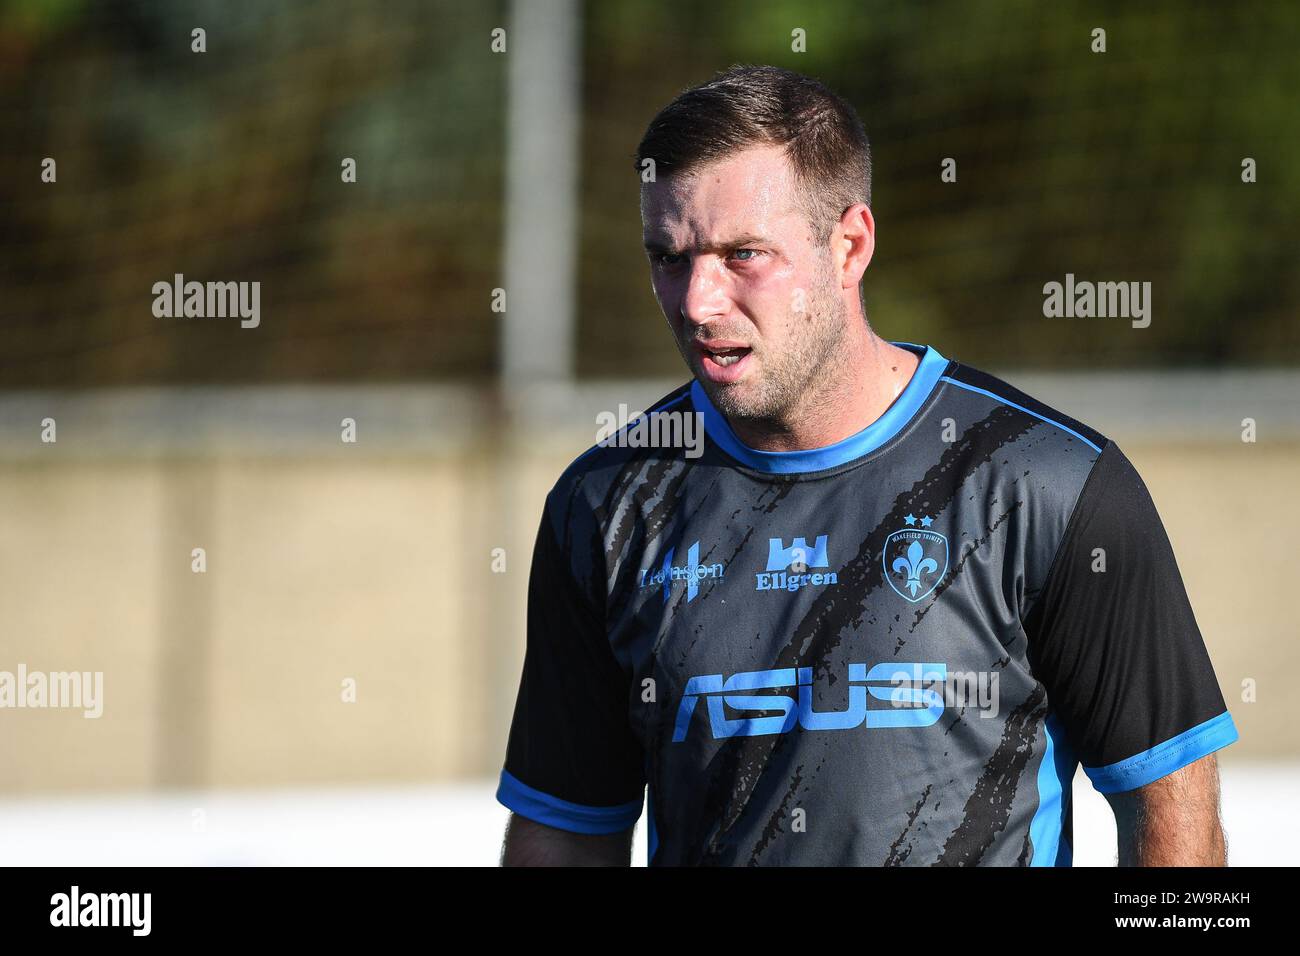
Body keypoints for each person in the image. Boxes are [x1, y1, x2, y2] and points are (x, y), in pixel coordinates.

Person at [496, 64, 1238, 866]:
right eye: (669, 258)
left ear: (849, 246)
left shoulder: (1047, 484)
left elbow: (1174, 819)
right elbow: (564, 833)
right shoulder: (606, 507)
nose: (697, 303)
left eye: (743, 255)